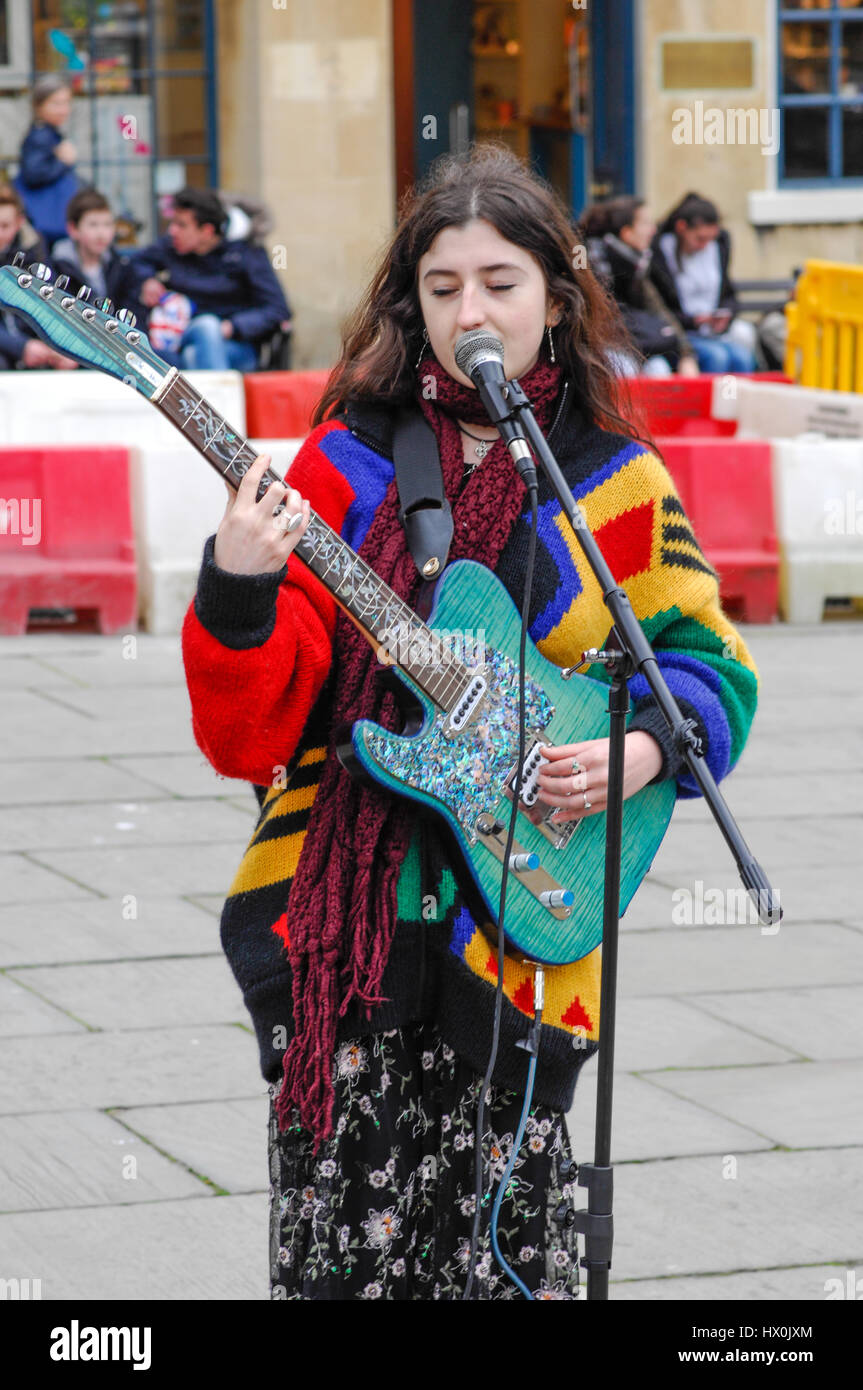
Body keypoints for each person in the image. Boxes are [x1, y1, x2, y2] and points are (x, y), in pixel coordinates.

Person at [180, 145, 759, 1301]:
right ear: (412, 303)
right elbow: (249, 736)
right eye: (441, 287)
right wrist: (236, 589)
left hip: (525, 944)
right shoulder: (344, 465)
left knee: (508, 1265)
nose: (470, 312)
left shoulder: (613, 483)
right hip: (343, 945)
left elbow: (709, 669)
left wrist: (638, 748)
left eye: (499, 282)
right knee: (344, 1266)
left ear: (557, 296)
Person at [128, 187, 291, 370]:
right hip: (182, 336)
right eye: (172, 222)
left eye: (181, 225)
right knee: (192, 348)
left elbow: (277, 309)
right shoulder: (171, 246)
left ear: (207, 231)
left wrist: (233, 327)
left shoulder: (247, 253)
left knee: (202, 337)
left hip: (235, 345)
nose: (172, 230)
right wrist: (148, 279)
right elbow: (136, 262)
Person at [583, 195, 699, 378]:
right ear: (626, 232)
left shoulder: (637, 262)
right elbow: (598, 320)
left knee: (659, 368)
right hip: (602, 347)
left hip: (635, 344)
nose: (653, 230)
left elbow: (658, 310)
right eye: (645, 224)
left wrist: (686, 354)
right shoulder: (593, 260)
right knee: (625, 368)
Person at [649, 192, 758, 373]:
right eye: (700, 239)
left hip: (713, 331)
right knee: (717, 357)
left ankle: (736, 393)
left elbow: (728, 293)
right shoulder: (661, 252)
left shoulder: (718, 247)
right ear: (681, 228)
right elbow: (659, 308)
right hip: (680, 333)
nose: (705, 245)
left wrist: (725, 315)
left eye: (710, 239)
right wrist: (693, 321)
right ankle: (709, 394)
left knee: (743, 357)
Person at [0, 185, 77, 371]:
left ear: (19, 222)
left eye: (5, 226)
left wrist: (61, 346)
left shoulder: (36, 252)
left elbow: (50, 303)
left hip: (35, 345)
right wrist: (20, 347)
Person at [50, 187, 142, 320]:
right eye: (93, 225)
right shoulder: (57, 268)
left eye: (107, 224)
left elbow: (132, 313)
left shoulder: (120, 266)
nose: (101, 234)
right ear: (73, 229)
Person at [14, 75, 80, 252]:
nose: (63, 110)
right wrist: (64, 162)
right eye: (56, 103)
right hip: (45, 224)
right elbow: (33, 174)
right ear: (38, 106)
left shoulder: (50, 133)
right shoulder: (41, 135)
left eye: (66, 103)